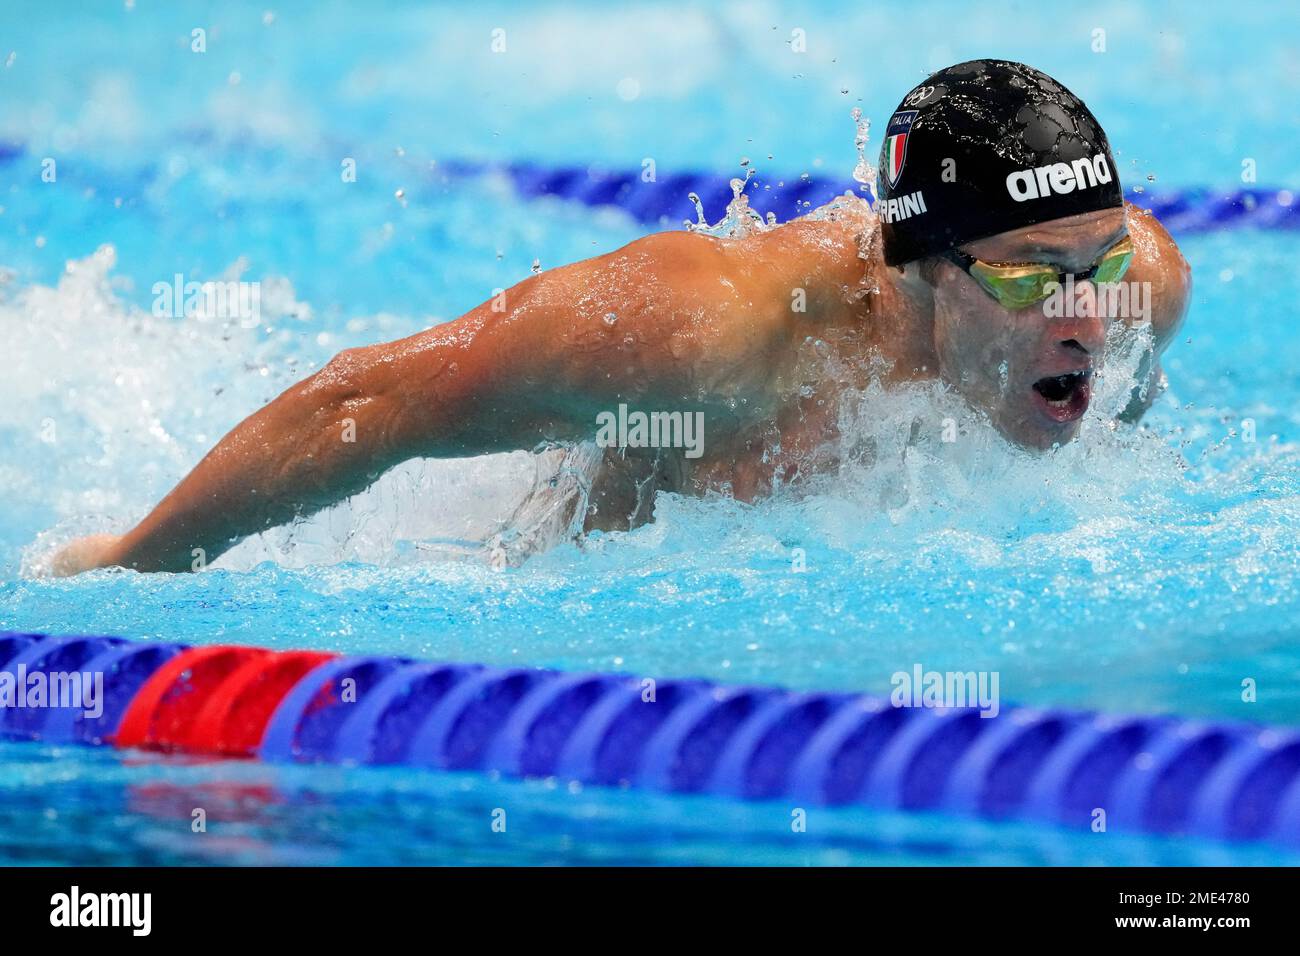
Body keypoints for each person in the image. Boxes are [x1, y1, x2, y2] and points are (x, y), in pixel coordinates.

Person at [51, 59, 1190, 576]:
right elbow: (370, 400)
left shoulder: (1139, 279)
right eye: (1032, 277)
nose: (1089, 314)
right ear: (920, 265)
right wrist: (125, 568)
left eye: (1093, 265)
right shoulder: (708, 332)